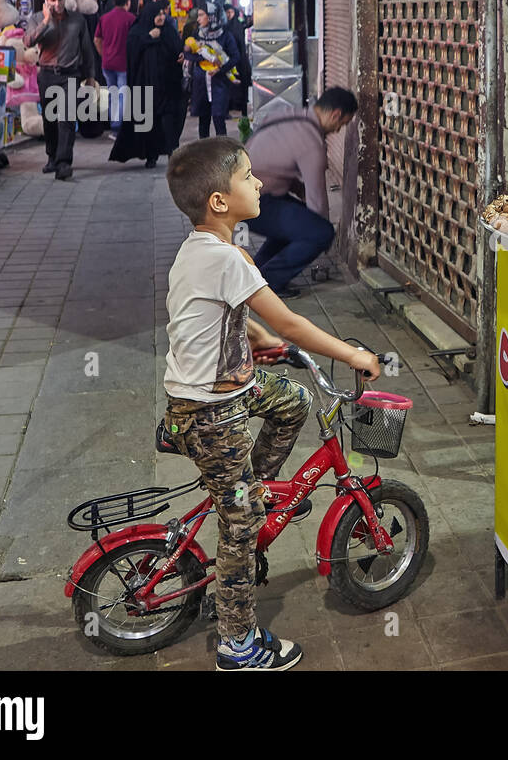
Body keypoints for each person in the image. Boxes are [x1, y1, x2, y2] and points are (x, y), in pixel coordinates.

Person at [162, 136, 380, 670]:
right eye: (248, 177)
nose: (259, 183)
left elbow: (232, 317)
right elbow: (290, 321)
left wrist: (256, 341)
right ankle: (238, 646)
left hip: (220, 394)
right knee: (238, 527)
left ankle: (257, 488)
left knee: (293, 400)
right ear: (220, 201)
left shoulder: (206, 249)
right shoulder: (225, 258)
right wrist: (352, 353)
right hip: (210, 415)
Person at [243, 87, 357, 297]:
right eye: (342, 124)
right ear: (336, 115)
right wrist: (323, 243)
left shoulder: (289, 116)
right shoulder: (311, 141)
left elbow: (274, 163)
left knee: (298, 224)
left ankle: (255, 276)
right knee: (319, 231)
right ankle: (270, 284)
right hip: (254, 201)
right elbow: (317, 201)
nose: (338, 130)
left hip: (243, 192)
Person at [24, 0, 95, 181]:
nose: (57, 4)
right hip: (47, 74)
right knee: (50, 119)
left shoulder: (77, 20)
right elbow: (27, 41)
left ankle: (64, 163)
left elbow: (86, 49)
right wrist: (46, 21)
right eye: (53, 0)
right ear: (46, 3)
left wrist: (90, 75)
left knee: (67, 119)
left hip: (70, 74)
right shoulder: (37, 19)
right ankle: (52, 157)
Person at [110, 0, 182, 167]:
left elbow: (177, 48)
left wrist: (181, 56)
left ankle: (173, 153)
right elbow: (131, 51)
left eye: (163, 14)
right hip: (145, 87)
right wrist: (149, 37)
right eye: (158, 14)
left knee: (169, 122)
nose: (161, 17)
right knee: (149, 124)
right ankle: (152, 156)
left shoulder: (168, 31)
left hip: (167, 86)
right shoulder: (138, 32)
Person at [184, 8, 239, 138]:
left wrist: (220, 69)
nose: (198, 19)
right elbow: (188, 53)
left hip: (219, 83)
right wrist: (203, 58)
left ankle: (223, 153)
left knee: (218, 117)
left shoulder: (225, 35)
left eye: (202, 15)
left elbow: (235, 56)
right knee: (204, 119)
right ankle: (204, 154)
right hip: (201, 83)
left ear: (212, 17)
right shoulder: (197, 34)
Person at [95, 0, 136, 132]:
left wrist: (103, 54)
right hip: (123, 64)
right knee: (123, 95)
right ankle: (120, 126)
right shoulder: (131, 19)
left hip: (107, 63)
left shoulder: (104, 18)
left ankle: (114, 124)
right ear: (128, 2)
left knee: (112, 94)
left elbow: (97, 39)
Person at [225, 4, 253, 115]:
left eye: (229, 12)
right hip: (236, 60)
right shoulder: (231, 25)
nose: (227, 15)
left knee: (238, 83)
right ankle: (238, 108)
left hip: (237, 60)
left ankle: (239, 108)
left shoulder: (235, 26)